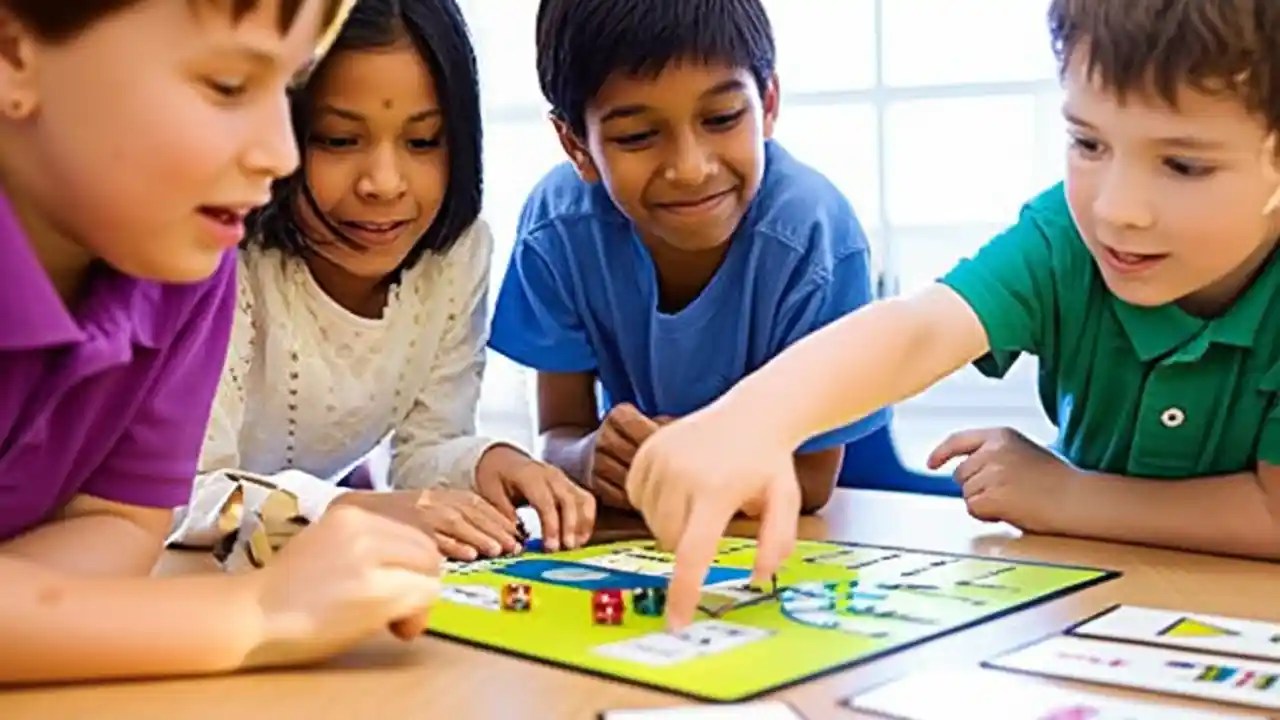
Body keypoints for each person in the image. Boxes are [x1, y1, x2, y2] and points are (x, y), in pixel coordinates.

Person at [628, 0, 1280, 628]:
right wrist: (754, 417)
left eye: (1183, 164)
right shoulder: (1067, 239)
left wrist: (1069, 496)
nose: (1116, 208)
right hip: (1096, 615)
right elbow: (923, 328)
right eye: (1087, 143)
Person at [0, 0, 444, 684]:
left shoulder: (187, 268)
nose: (280, 154)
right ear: (12, 53)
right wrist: (253, 615)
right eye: (229, 87)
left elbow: (116, 523)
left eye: (289, 91)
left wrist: (37, 626)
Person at [168, 0, 596, 563]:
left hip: (297, 575)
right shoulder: (225, 260)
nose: (384, 183)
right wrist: (352, 510)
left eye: (422, 142)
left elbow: (423, 455)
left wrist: (490, 462)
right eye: (339, 140)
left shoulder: (454, 256)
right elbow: (183, 498)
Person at [488, 0, 887, 514]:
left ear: (767, 105)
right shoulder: (558, 228)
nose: (691, 169)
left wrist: (710, 461)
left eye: (721, 118)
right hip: (640, 533)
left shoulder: (813, 236)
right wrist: (588, 457)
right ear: (576, 146)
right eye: (637, 136)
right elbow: (558, 433)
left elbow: (810, 481)